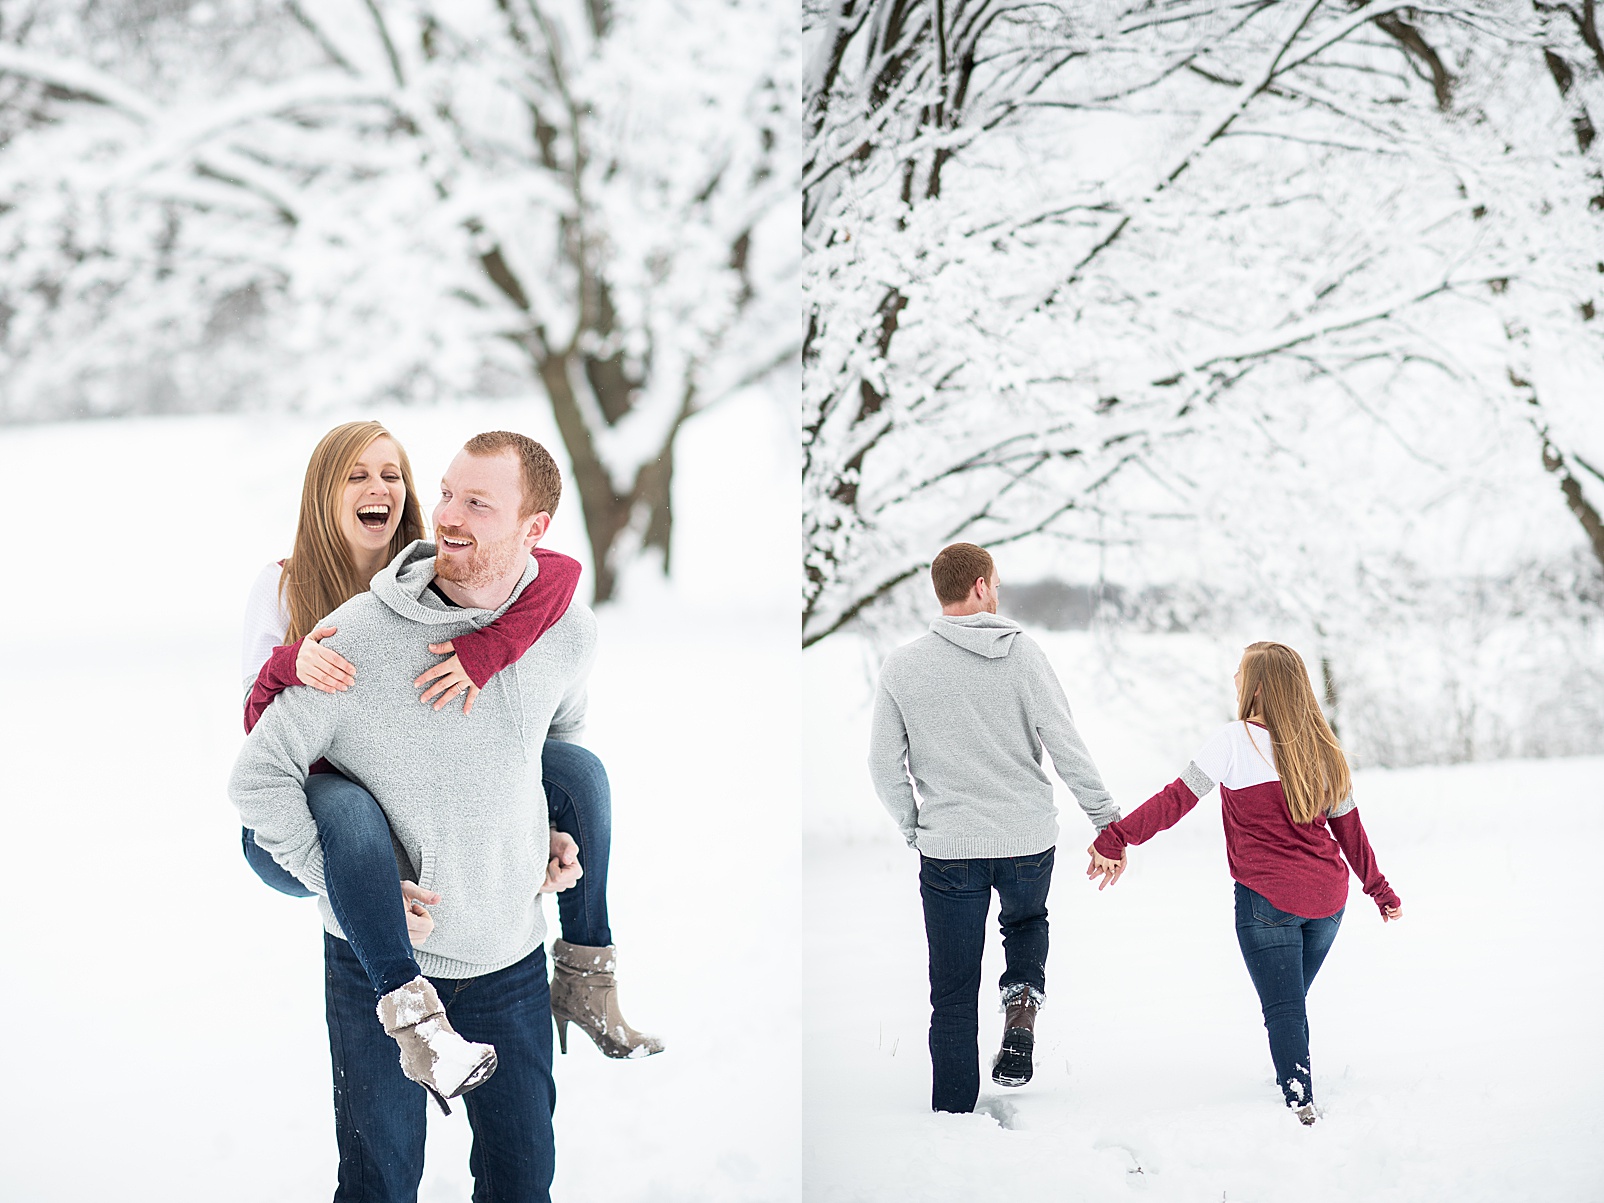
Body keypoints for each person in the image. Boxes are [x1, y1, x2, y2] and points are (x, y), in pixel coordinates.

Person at [232, 431, 613, 1200]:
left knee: (521, 1182)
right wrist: (292, 661)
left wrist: (536, 828)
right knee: (379, 1184)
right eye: (446, 493)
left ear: (532, 527)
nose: (448, 513)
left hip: (505, 951)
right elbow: (258, 764)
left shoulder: (560, 625)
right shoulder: (336, 621)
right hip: (360, 898)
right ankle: (407, 1006)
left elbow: (551, 731)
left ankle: (590, 961)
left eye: (475, 501)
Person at [1087, 640, 1403, 1125]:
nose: (1233, 679)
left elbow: (1175, 800)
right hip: (1328, 901)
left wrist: (1116, 837)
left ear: (1257, 687)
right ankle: (1293, 1085)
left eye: (1239, 672)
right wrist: (1378, 889)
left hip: (1267, 902)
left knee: (1283, 1008)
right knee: (1289, 1004)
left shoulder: (1234, 741)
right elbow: (1350, 830)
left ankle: (1301, 1107)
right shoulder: (1324, 748)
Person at [867, 542, 1121, 1114]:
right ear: (981, 586)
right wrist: (1106, 820)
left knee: (952, 993)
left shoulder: (903, 666)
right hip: (1026, 839)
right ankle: (1022, 1004)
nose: (998, 591)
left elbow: (884, 764)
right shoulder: (1023, 655)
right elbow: (1065, 744)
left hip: (948, 848)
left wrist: (917, 828)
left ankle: (954, 1113)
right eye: (996, 582)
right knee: (1026, 922)